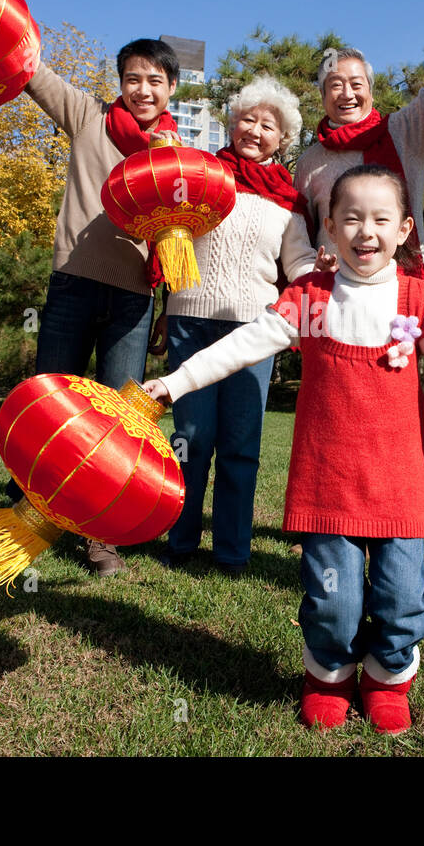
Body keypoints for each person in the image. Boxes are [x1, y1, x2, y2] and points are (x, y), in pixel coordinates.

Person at [143, 164, 424, 734]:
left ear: (404, 230)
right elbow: (247, 342)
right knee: (334, 601)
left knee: (401, 599)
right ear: (329, 227)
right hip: (327, 482)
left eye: (380, 218)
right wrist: (176, 382)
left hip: (398, 486)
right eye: (350, 218)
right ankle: (328, 673)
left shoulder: (419, 300)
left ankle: (386, 676)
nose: (365, 231)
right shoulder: (310, 297)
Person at [8, 37, 181, 577]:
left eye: (155, 80)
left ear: (171, 88)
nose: (143, 89)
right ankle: (30, 513)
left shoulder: (175, 155)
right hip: (74, 283)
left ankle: (98, 533)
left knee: (117, 416)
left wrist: (168, 307)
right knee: (49, 401)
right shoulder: (88, 116)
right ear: (120, 82)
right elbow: (33, 72)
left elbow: (183, 238)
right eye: (134, 78)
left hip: (135, 295)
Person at [154, 76, 323, 575]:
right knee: (190, 439)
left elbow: (299, 263)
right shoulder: (201, 175)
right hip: (191, 321)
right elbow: (170, 235)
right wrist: (166, 301)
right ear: (232, 123)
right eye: (248, 119)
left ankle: (231, 552)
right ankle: (179, 542)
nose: (255, 129)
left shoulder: (289, 202)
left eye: (267, 125)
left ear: (282, 139)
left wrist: (323, 274)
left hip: (255, 332)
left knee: (240, 446)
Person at [293, 48, 424, 276]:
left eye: (356, 85)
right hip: (336, 293)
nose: (347, 94)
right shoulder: (309, 162)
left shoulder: (405, 133)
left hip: (402, 288)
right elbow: (300, 240)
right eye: (336, 85)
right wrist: (312, 270)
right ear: (323, 96)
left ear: (371, 92)